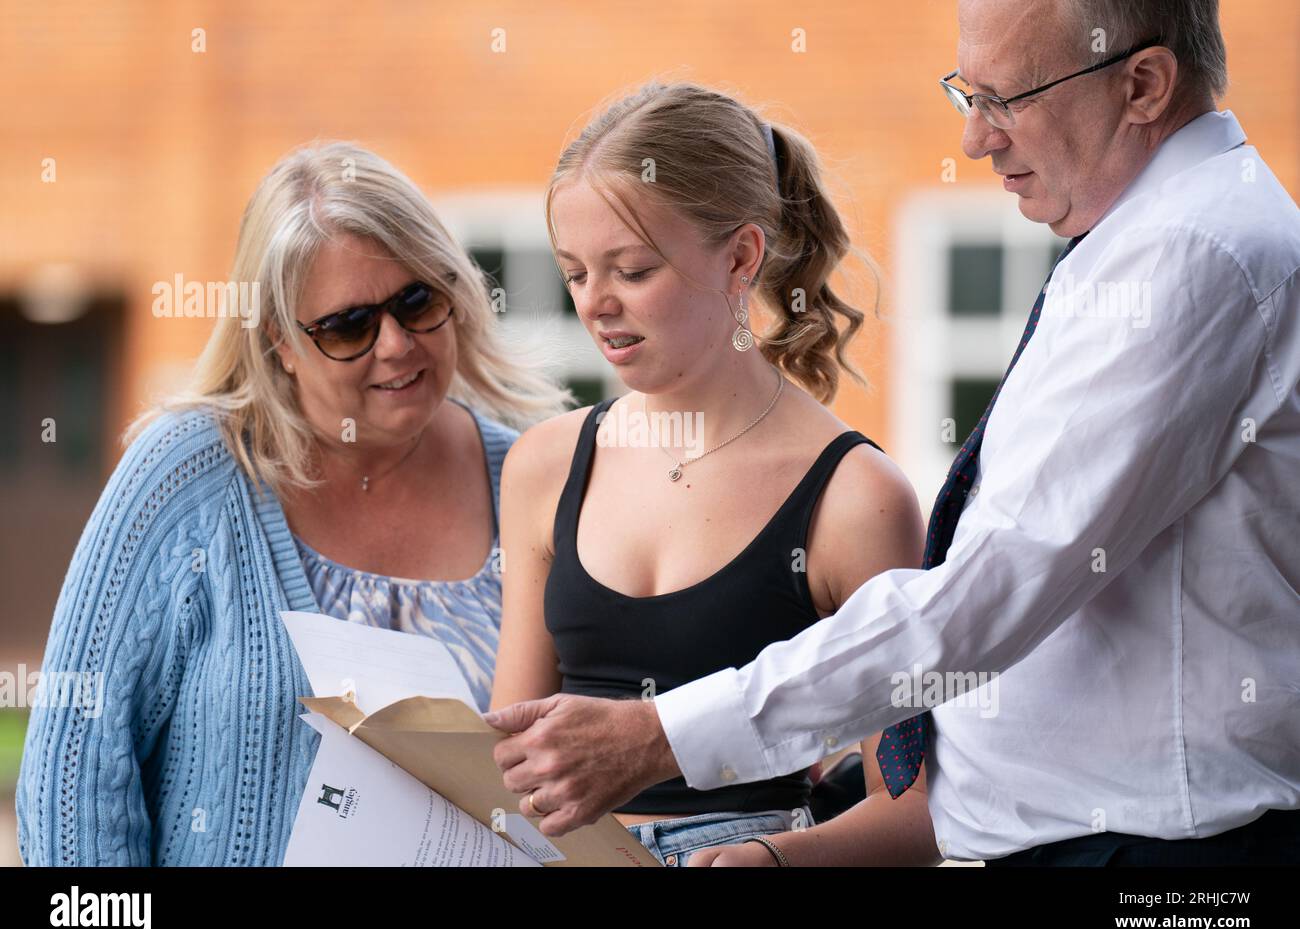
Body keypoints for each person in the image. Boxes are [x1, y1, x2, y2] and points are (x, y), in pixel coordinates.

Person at [486, 0, 1300, 865]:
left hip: (1159, 857)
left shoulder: (1191, 256)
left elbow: (995, 584)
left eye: (1006, 99)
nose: (975, 140)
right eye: (968, 96)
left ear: (1142, 85)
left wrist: (666, 738)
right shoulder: (1145, 244)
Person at [16, 142, 569, 865]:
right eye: (348, 326)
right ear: (278, 338)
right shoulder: (188, 476)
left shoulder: (532, 483)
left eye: (417, 302)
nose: (396, 344)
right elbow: (72, 778)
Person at [489, 81, 941, 866]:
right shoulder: (545, 466)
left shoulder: (856, 498)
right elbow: (509, 768)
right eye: (575, 273)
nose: (595, 305)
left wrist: (772, 859)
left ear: (741, 257)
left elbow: (919, 811)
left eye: (632, 270)